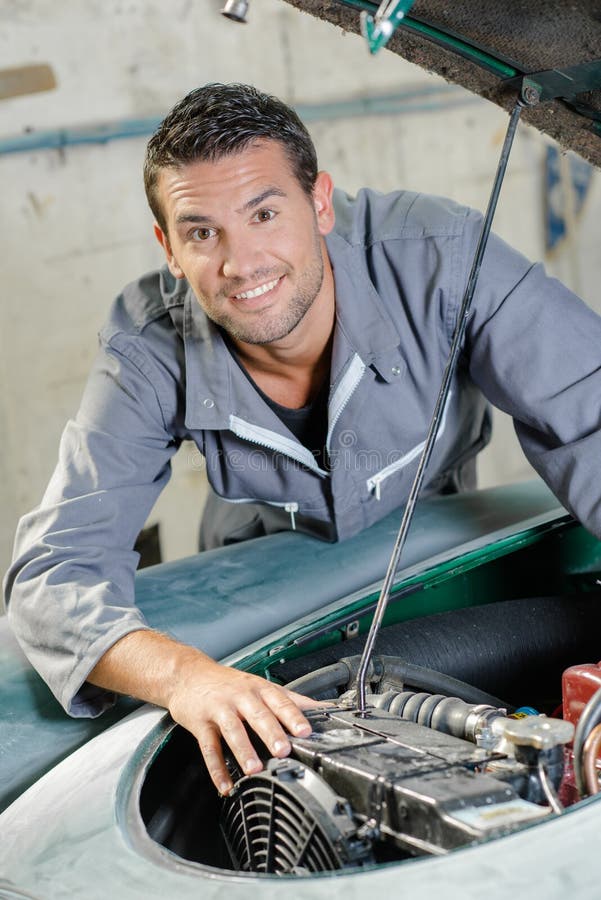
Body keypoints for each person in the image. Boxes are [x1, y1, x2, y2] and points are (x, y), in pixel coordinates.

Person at [5, 83, 601, 796]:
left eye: (264, 213)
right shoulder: (145, 345)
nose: (240, 263)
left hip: (429, 532)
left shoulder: (440, 257)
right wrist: (187, 677)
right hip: (257, 559)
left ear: (319, 203)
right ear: (168, 247)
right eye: (202, 232)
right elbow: (53, 574)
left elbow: (589, 417)